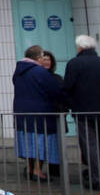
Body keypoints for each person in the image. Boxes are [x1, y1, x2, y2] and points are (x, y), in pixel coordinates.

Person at [63, 34, 100, 192]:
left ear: (80, 47)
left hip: (83, 112)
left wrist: (71, 105)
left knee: (90, 145)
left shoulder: (74, 64)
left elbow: (67, 88)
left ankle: (96, 178)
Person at [11, 44, 68, 182]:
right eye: (43, 57)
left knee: (29, 142)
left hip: (23, 113)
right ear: (37, 57)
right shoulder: (40, 72)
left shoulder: (19, 72)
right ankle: (37, 171)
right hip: (41, 113)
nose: (44, 60)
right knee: (41, 143)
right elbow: (55, 91)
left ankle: (30, 169)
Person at [39, 50, 65, 179]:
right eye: (44, 59)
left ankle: (55, 168)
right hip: (42, 116)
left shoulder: (57, 78)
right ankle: (37, 168)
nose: (46, 62)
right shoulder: (36, 78)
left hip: (56, 116)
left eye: (48, 60)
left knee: (56, 144)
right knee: (41, 143)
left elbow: (63, 95)